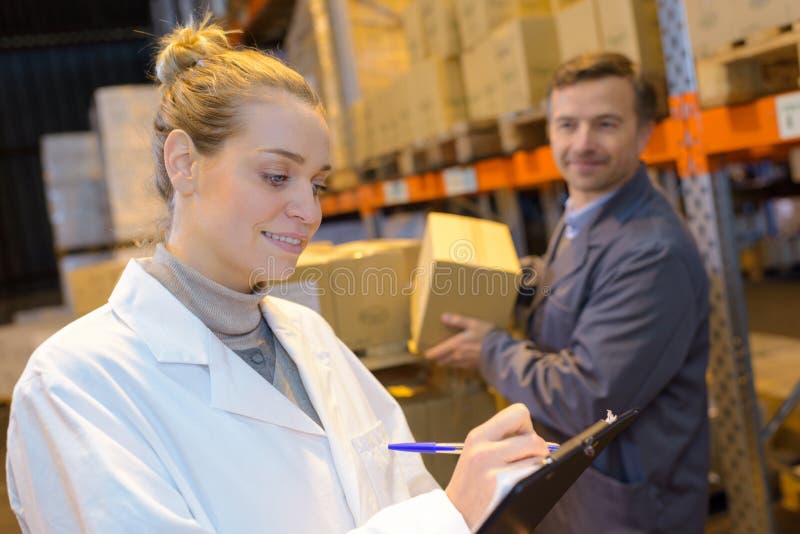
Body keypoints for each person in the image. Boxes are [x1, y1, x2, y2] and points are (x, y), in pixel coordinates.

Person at [5, 16, 551, 533]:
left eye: (316, 184)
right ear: (183, 163)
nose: (308, 211)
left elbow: (400, 493)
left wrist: (481, 497)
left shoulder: (309, 338)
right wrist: (446, 517)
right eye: (275, 175)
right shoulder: (77, 386)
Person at [426, 52, 710, 533]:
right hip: (580, 489)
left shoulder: (653, 252)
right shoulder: (586, 211)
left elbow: (588, 396)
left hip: (631, 507)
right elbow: (577, 282)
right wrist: (516, 281)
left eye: (605, 124)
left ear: (642, 133)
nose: (582, 143)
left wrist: (491, 350)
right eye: (567, 124)